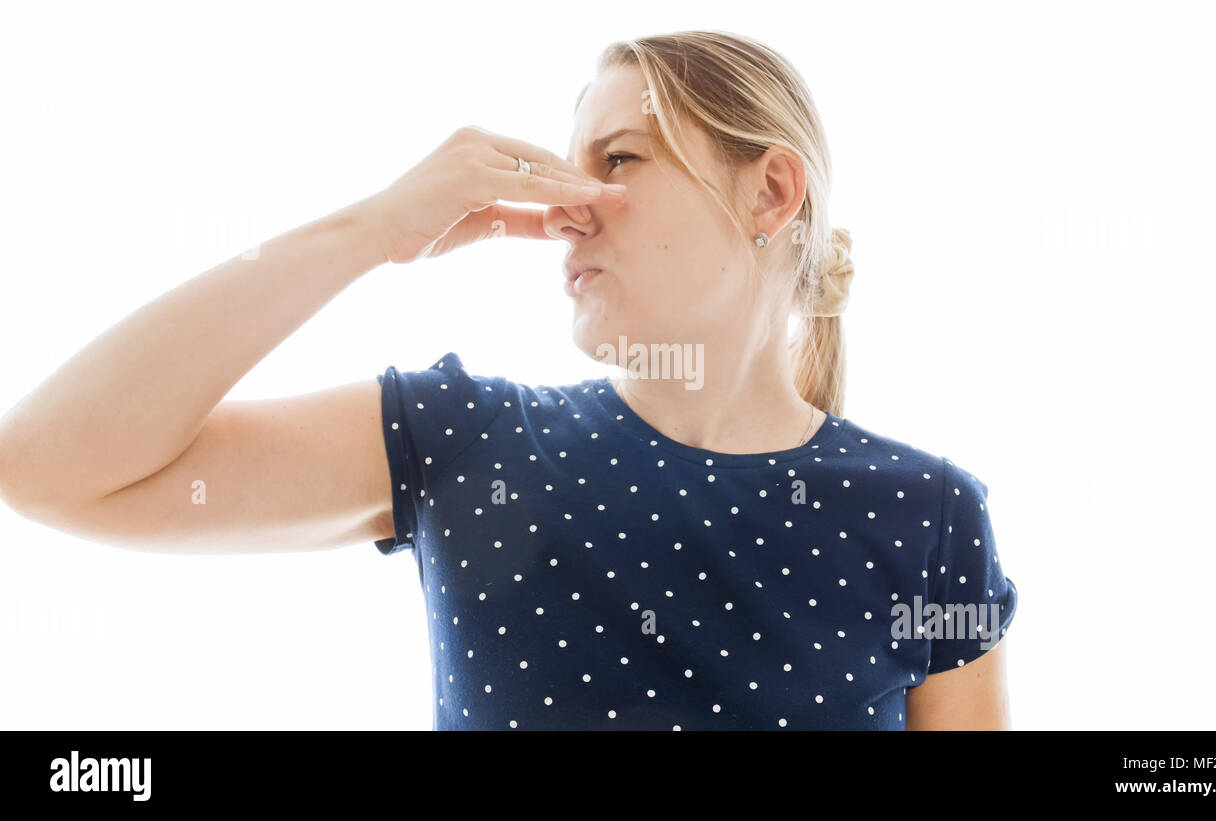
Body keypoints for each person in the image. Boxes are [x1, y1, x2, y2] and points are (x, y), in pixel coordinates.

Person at [0, 30, 1017, 730]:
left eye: (615, 159)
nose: (568, 207)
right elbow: (48, 465)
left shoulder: (930, 515)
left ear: (772, 190)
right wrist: (372, 229)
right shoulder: (465, 439)